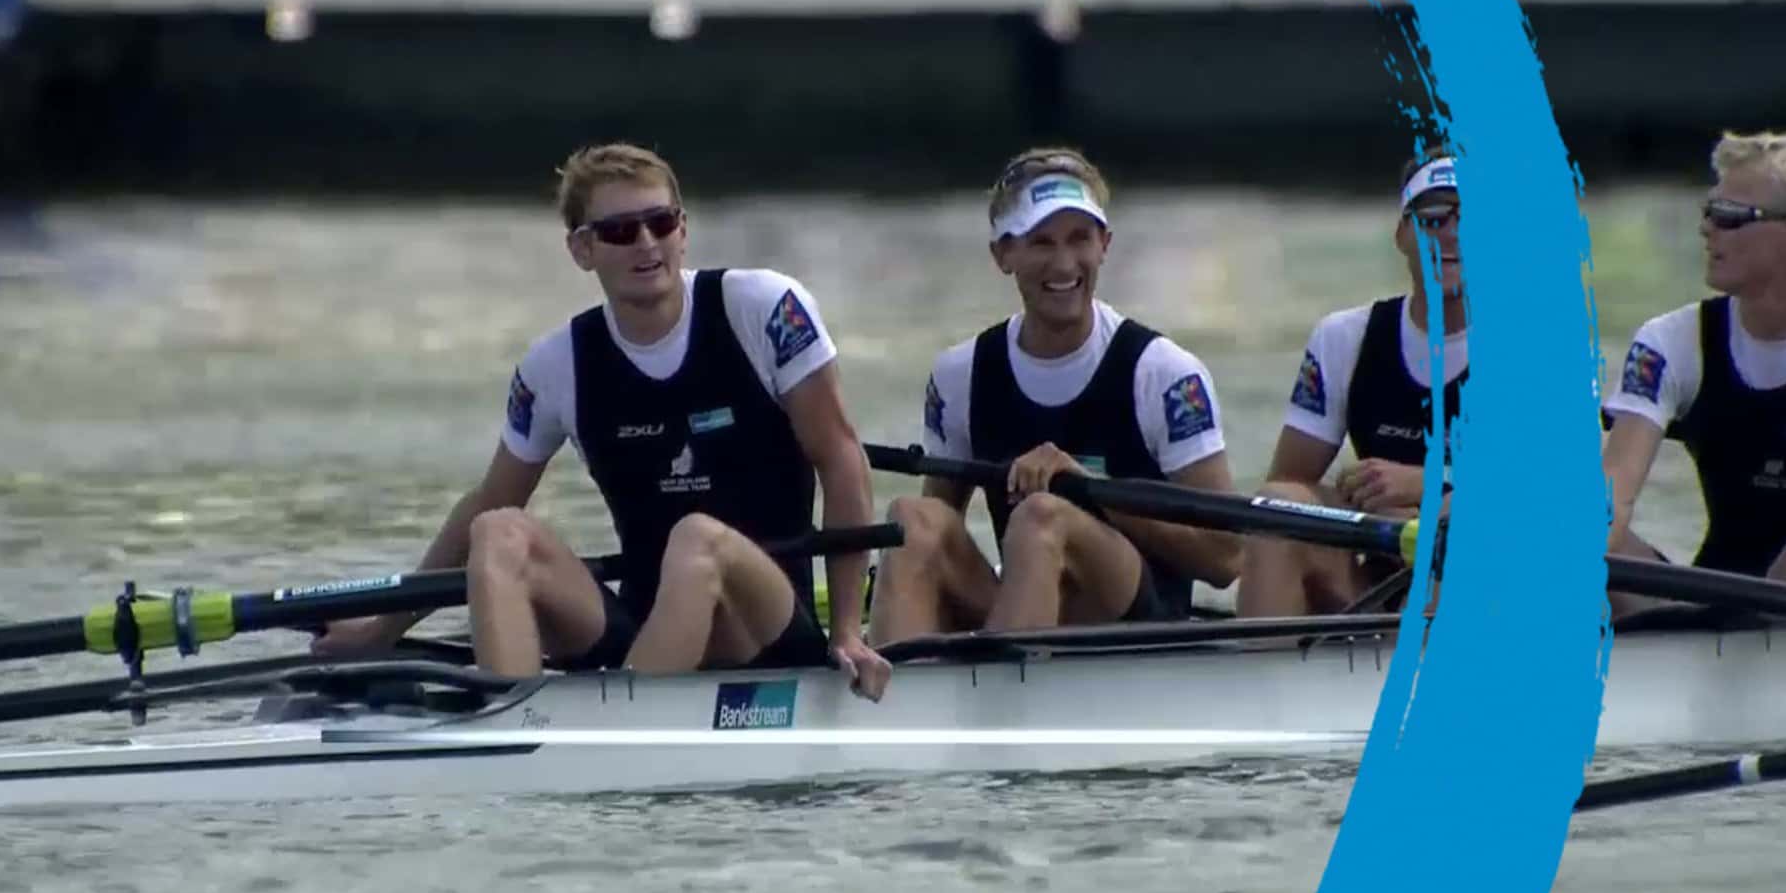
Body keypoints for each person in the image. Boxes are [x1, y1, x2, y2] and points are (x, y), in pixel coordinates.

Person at [313, 143, 892, 700]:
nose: (645, 242)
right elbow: (485, 502)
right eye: (619, 231)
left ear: (683, 230)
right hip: (644, 619)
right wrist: (379, 633)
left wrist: (845, 629)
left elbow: (841, 460)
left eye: (660, 223)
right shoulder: (555, 364)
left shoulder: (762, 308)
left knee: (697, 538)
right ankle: (515, 720)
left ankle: (620, 714)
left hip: (765, 619)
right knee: (498, 529)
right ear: (581, 250)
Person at [866, 147, 1242, 645]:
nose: (1064, 263)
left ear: (1105, 244)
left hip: (1138, 620)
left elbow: (1226, 559)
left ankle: (999, 705)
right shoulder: (959, 375)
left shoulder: (1164, 374)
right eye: (1041, 242)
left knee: (1044, 517)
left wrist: (1087, 490)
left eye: (1079, 239)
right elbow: (943, 528)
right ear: (1004, 254)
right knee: (911, 521)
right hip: (1025, 595)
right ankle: (891, 705)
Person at [1234, 144, 1467, 618]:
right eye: (1432, 218)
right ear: (1402, 235)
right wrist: (1361, 502)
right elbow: (1289, 480)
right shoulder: (1346, 338)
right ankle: (1257, 673)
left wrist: (1430, 486)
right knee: (1278, 507)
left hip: (1497, 585)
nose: (1451, 235)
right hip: (1380, 571)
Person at [1602, 129, 1786, 609]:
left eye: (1729, 217)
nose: (1707, 229)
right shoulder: (1670, 341)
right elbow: (1612, 496)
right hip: (1703, 603)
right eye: (1708, 212)